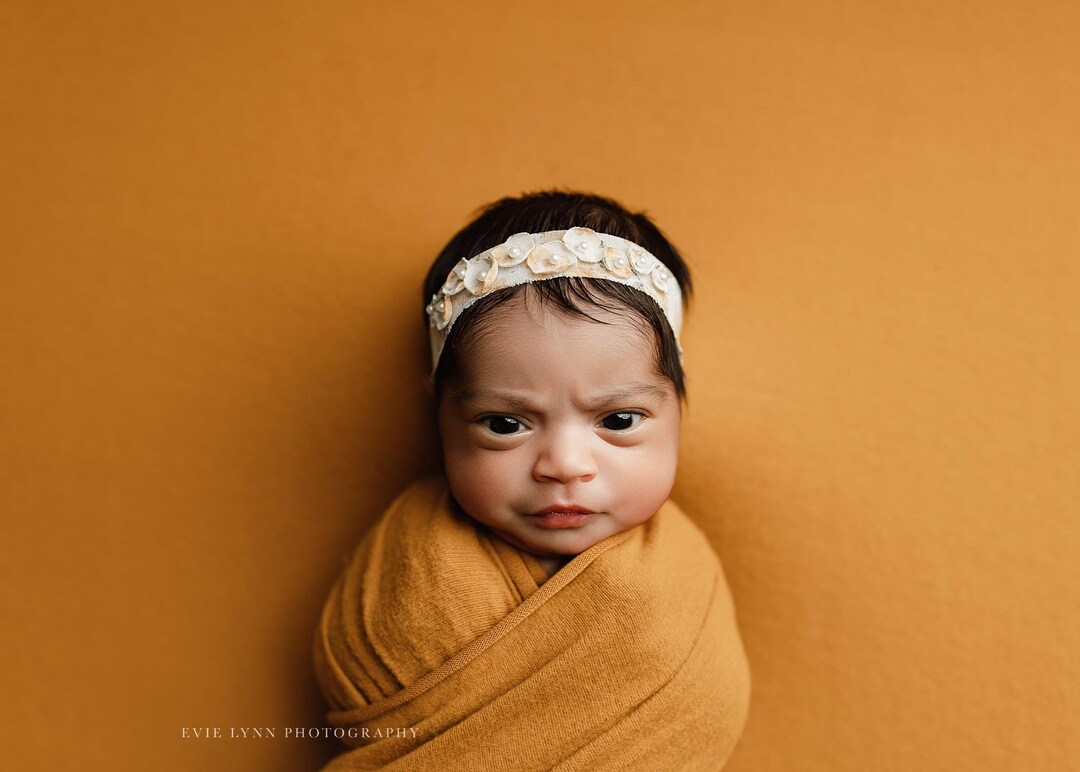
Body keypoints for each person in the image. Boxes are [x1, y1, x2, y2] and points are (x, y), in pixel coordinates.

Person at [313, 190, 751, 770]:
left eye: (618, 420)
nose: (565, 465)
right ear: (438, 415)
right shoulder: (399, 581)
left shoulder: (681, 582)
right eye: (505, 424)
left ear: (677, 411)